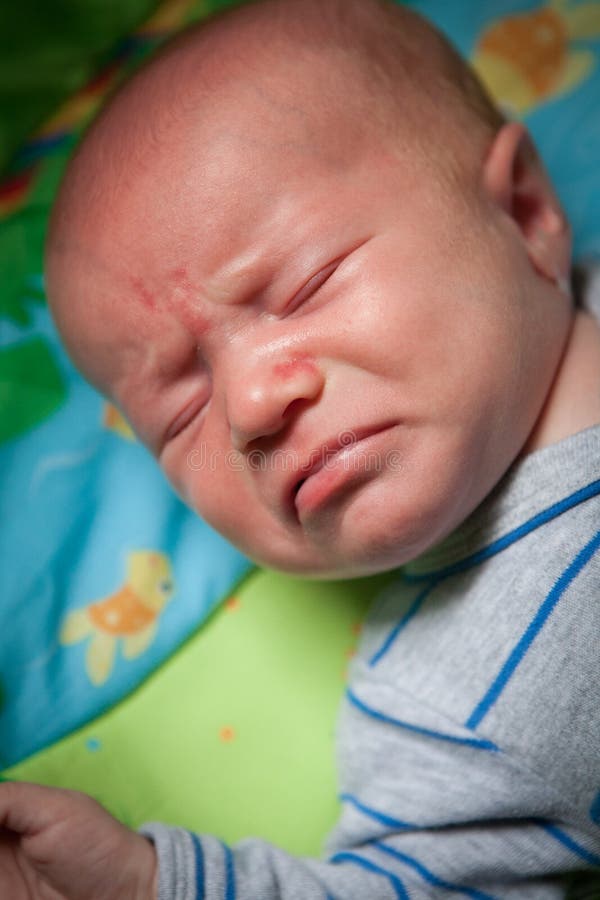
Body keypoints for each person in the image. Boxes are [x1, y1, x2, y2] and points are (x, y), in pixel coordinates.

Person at [2, 0, 600, 896]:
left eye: (305, 287)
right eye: (181, 412)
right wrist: (141, 883)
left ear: (522, 210)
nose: (250, 406)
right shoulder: (444, 711)